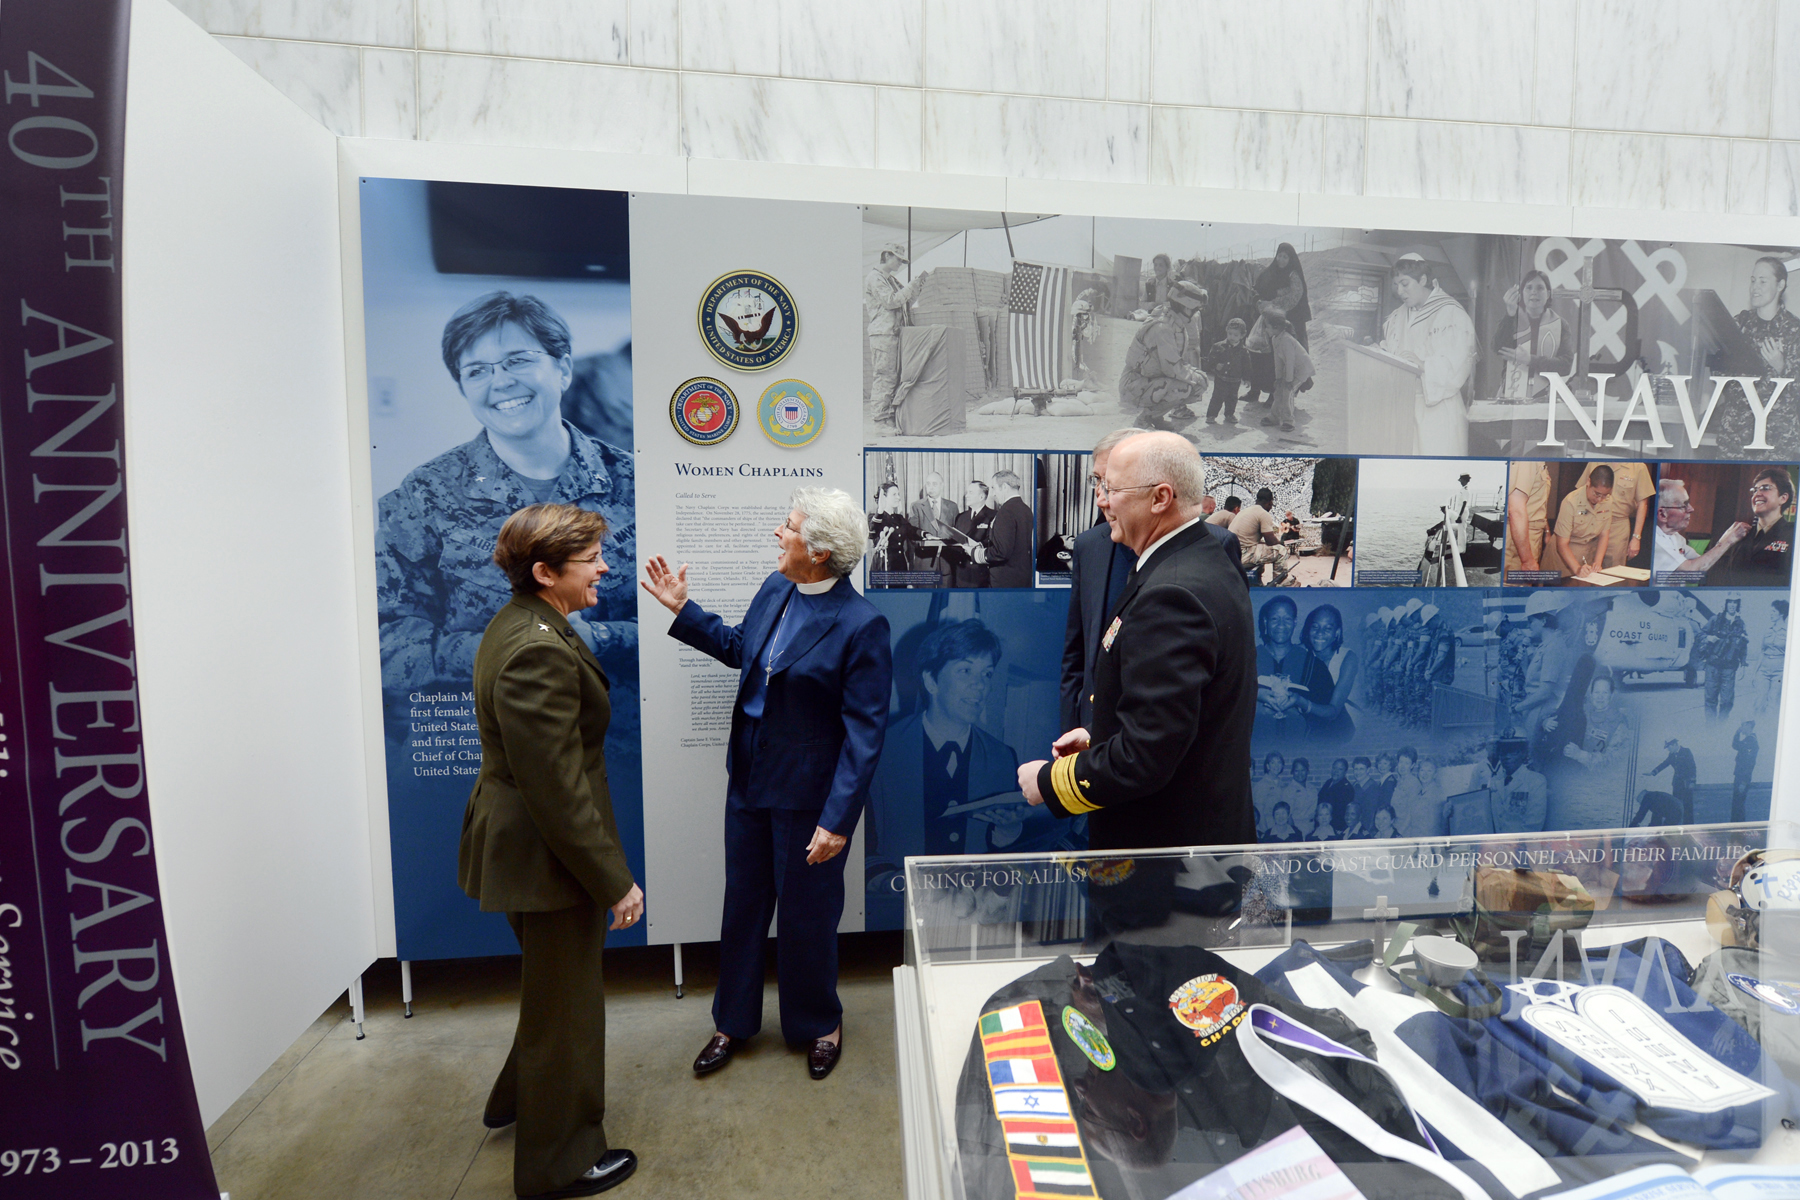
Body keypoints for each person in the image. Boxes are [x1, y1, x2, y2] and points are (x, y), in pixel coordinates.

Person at [641, 488, 892, 1082]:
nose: (778, 534)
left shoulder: (862, 625)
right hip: (749, 783)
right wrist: (685, 610)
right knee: (743, 906)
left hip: (808, 799)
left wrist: (836, 820)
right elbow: (740, 650)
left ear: (821, 553)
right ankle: (733, 1022)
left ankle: (818, 1024)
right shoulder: (777, 587)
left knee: (807, 915)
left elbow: (865, 735)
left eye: (788, 527)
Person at [460, 503, 644, 1199]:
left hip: (530, 846)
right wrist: (613, 881)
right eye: (592, 558)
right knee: (567, 1007)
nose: (605, 566)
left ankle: (515, 1101)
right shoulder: (536, 646)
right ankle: (559, 1162)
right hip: (549, 857)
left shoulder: (523, 623)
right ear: (544, 572)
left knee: (551, 991)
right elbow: (556, 790)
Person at [377, 292, 638, 711]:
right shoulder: (422, 495)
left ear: (564, 369)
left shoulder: (637, 483)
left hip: (623, 747)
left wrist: (603, 639)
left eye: (518, 360)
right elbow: (389, 642)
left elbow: (680, 623)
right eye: (477, 371)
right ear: (463, 387)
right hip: (485, 749)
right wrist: (517, 648)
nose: (500, 382)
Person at [1019, 432, 1257, 850]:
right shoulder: (1197, 562)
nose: (1102, 501)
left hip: (1168, 858)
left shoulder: (1172, 594)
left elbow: (1146, 755)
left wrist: (1049, 782)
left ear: (1160, 497)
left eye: (1111, 489)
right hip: (1193, 842)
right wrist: (1100, 735)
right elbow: (1177, 719)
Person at [868, 620, 1042, 862]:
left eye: (987, 673)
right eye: (966, 671)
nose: (981, 685)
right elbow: (862, 844)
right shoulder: (882, 751)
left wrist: (1009, 830)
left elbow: (1009, 858)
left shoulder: (1002, 757)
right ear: (931, 681)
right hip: (898, 895)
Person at [1061, 430, 1141, 732]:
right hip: (1091, 737)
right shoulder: (1089, 546)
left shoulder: (1211, 547)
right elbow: (1075, 656)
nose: (1101, 498)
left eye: (1111, 484)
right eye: (1096, 481)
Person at [1380, 253, 1476, 456]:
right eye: (1397, 285)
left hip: (1439, 410)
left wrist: (1424, 365)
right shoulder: (1397, 316)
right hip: (1404, 407)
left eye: (1405, 284)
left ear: (1423, 280)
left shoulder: (1451, 313)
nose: (1400, 291)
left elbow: (1459, 364)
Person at [1716, 256, 1800, 458]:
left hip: (1776, 442)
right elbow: (1719, 372)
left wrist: (1782, 368)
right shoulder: (1739, 324)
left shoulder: (1795, 330)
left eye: (1763, 281)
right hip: (1735, 438)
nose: (1755, 287)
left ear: (1780, 285)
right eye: (1753, 280)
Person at [1119, 280, 1210, 431]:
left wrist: (1197, 376)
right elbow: (1172, 369)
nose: (1195, 313)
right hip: (1133, 385)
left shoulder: (1172, 320)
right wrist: (1198, 378)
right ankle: (1143, 420)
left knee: (1193, 383)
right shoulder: (1163, 327)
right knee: (1187, 387)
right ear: (1185, 307)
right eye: (1193, 309)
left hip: (1147, 379)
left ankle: (1155, 417)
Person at [1253, 595, 1330, 743]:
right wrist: (1254, 694)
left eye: (1287, 619)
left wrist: (1300, 702)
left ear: (1295, 623)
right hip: (1256, 747)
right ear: (1265, 622)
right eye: (1275, 619)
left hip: (1299, 746)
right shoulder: (1248, 660)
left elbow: (1329, 712)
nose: (1281, 625)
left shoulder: (1313, 665)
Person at [1243, 242, 1311, 407]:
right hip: (1264, 322)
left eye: (1285, 257)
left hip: (1285, 324)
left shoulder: (1293, 276)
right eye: (1279, 255)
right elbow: (1255, 290)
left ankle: (1276, 396)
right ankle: (1255, 391)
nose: (1281, 260)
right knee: (1258, 354)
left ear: (1290, 259)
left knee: (1278, 358)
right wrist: (1258, 302)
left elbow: (1294, 297)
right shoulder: (1269, 272)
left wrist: (1272, 305)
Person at [864, 241, 921, 434]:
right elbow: (891, 302)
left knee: (894, 378)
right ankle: (879, 421)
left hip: (894, 332)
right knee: (884, 377)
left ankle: (888, 419)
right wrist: (910, 287)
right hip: (884, 334)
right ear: (887, 256)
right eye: (898, 259)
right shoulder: (875, 277)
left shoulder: (891, 280)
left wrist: (915, 289)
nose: (900, 264)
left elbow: (904, 303)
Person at [1495, 269, 1572, 404]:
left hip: (1546, 397)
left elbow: (1566, 365)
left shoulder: (1560, 324)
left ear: (1548, 294)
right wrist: (1510, 314)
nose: (1534, 292)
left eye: (1540, 288)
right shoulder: (1512, 318)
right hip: (1512, 393)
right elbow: (1498, 348)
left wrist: (1530, 360)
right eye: (1529, 288)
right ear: (1521, 293)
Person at [1711, 466, 1795, 587]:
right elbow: (1720, 575)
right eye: (1754, 490)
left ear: (1783, 498)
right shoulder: (1739, 534)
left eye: (1765, 488)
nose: (1757, 494)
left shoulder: (1794, 535)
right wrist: (1724, 541)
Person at [1577, 460, 1653, 569]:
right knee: (1585, 566)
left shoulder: (1638, 466)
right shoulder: (1595, 461)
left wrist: (1636, 537)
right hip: (1592, 522)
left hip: (1617, 526)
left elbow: (1643, 504)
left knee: (1614, 569)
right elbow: (1581, 493)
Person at [1298, 603, 1357, 743]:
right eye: (1315, 627)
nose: (1320, 633)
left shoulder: (1348, 658)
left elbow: (1334, 712)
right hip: (1310, 726)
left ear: (1337, 632)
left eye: (1328, 628)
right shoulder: (1300, 654)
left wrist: (1299, 702)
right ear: (1308, 629)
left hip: (1343, 728)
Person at [1553, 464, 1614, 579]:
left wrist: (1597, 563)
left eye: (1605, 495)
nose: (1600, 499)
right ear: (1588, 482)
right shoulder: (1570, 502)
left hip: (1586, 554)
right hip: (1564, 556)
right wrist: (1577, 569)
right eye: (1597, 494)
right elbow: (1562, 544)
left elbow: (1604, 534)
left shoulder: (1608, 502)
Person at [1260, 313, 1314, 433]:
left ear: (1275, 327)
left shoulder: (1287, 340)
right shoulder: (1275, 339)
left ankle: (1288, 421)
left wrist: (1288, 381)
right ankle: (1274, 417)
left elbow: (1290, 361)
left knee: (1287, 392)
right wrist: (1278, 378)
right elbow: (1278, 360)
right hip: (1291, 369)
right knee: (1279, 389)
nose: (1265, 329)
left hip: (1301, 369)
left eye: (1267, 327)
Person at [1697, 597, 1749, 717]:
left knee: (1727, 701)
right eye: (1729, 602)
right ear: (1725, 604)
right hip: (1713, 665)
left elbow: (1743, 645)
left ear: (1738, 605)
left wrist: (1743, 663)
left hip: (1729, 667)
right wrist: (1708, 638)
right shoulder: (1715, 619)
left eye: (1734, 602)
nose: (1732, 605)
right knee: (1710, 699)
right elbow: (1700, 634)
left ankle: (1721, 728)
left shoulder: (1740, 623)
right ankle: (1710, 730)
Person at [1231, 487, 1294, 584]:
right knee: (1281, 551)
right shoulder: (1263, 514)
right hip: (1243, 554)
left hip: (1233, 553)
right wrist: (1281, 543)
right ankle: (1279, 584)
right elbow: (1271, 541)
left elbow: (1252, 540)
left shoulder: (1246, 511)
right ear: (1269, 502)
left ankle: (1258, 582)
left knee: (1263, 549)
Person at [984, 469, 1034, 587]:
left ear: (1005, 487)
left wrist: (976, 553)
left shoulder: (1005, 512)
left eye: (994, 488)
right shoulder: (1026, 509)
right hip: (1022, 578)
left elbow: (1001, 552)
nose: (993, 494)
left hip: (1005, 580)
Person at [909, 471, 960, 583]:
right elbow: (912, 534)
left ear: (942, 485)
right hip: (924, 563)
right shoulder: (916, 506)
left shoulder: (952, 506)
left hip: (947, 563)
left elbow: (957, 533)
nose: (930, 487)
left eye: (934, 484)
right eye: (928, 484)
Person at [1488, 738, 1548, 834]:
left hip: (1523, 846)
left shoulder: (1536, 781)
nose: (1507, 757)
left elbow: (1534, 823)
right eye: (1503, 752)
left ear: (1523, 754)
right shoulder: (1495, 781)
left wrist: (1512, 846)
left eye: (1513, 752)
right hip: (1496, 845)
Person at [1505, 459, 1550, 578]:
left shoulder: (1538, 460)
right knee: (1514, 590)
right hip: (1521, 539)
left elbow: (1538, 501)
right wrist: (1527, 561)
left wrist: (1546, 530)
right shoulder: (1527, 461)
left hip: (1532, 536)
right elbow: (1516, 510)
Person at [1204, 317, 1250, 425]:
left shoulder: (1244, 351)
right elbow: (1209, 362)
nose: (1232, 337)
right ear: (1226, 330)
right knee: (1217, 397)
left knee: (1232, 398)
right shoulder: (1218, 346)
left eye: (1236, 335)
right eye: (1230, 333)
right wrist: (1215, 366)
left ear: (1242, 335)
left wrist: (1247, 378)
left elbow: (1247, 366)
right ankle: (1211, 415)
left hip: (1235, 379)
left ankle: (1229, 414)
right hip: (1221, 378)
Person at [866, 481, 918, 575]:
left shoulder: (899, 518)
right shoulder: (874, 516)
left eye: (898, 494)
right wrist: (880, 510)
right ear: (884, 497)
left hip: (900, 566)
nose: (898, 497)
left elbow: (913, 531)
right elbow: (871, 532)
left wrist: (927, 535)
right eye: (894, 494)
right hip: (883, 566)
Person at [1644, 736, 1699, 825]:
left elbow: (1693, 767)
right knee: (1676, 805)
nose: (1668, 750)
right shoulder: (1672, 755)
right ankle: (1676, 824)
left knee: (1687, 805)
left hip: (1686, 784)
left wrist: (1692, 782)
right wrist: (1653, 772)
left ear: (1674, 744)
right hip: (1677, 784)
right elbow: (1665, 764)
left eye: (1669, 747)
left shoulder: (1686, 751)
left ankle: (1688, 824)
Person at [951, 480, 995, 587]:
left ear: (981, 497)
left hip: (980, 574)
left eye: (971, 493)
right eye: (967, 492)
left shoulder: (993, 515)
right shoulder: (961, 517)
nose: (966, 496)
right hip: (960, 574)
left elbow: (993, 541)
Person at [1758, 600, 1787, 713]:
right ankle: (1757, 724)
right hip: (1763, 670)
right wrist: (1755, 672)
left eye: (1773, 611)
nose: (1771, 614)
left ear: (1781, 614)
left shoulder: (1789, 631)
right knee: (1759, 699)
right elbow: (1762, 651)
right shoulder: (1767, 630)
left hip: (1779, 671)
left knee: (1773, 700)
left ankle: (1767, 727)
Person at [1732, 720, 1760, 823]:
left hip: (1742, 777)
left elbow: (1749, 764)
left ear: (1748, 726)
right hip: (1740, 775)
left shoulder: (1751, 741)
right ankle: (1737, 825)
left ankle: (1738, 828)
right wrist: (1737, 733)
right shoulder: (1748, 740)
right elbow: (1735, 746)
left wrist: (1744, 782)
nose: (1741, 727)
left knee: (1738, 804)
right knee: (1737, 803)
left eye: (1742, 725)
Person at [1317, 758, 1354, 830]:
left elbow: (1341, 813)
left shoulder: (1347, 788)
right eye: (1334, 768)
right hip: (1322, 825)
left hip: (1335, 828)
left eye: (1340, 769)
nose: (1336, 771)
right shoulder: (1328, 782)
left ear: (1345, 772)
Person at [1442, 473, 1474, 555]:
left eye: (1461, 480)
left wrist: (1459, 516)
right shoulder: (1463, 489)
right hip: (1460, 511)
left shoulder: (1466, 490)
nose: (1460, 481)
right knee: (1460, 529)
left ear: (1465, 480)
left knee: (1462, 529)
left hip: (1462, 512)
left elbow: (1464, 503)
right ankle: (1460, 546)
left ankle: (1462, 548)